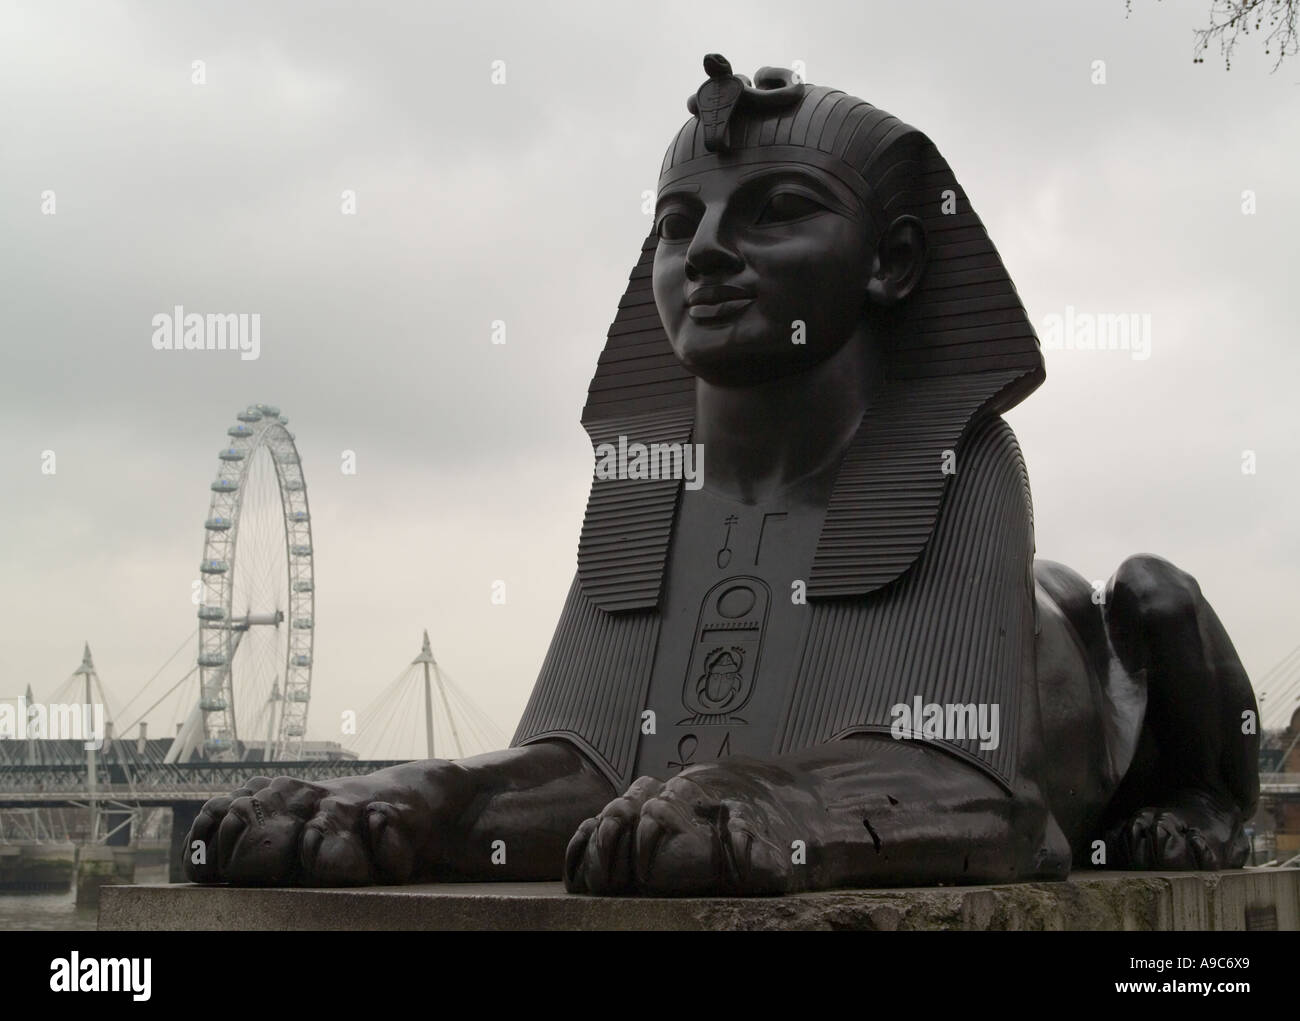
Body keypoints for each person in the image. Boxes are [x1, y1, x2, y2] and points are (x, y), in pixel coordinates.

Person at [186, 56, 1258, 895]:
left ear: (892, 262)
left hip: (1103, 709)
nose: (702, 251)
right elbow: (592, 772)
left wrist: (782, 802)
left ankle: (1208, 792)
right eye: (676, 222)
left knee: (1153, 593)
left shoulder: (961, 463)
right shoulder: (650, 485)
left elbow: (991, 804)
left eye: (776, 210)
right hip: (730, 776)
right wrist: (411, 801)